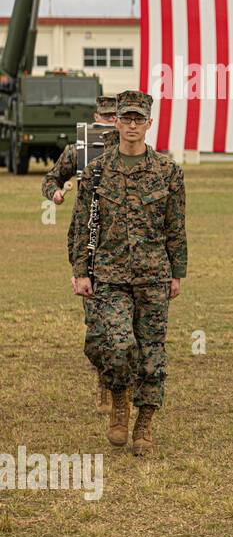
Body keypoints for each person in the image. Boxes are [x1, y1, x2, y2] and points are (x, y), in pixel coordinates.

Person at [70, 91, 187, 455]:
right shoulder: (96, 171)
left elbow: (176, 227)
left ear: (149, 124)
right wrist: (81, 271)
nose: (133, 125)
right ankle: (119, 400)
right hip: (109, 274)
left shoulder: (168, 171)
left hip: (153, 274)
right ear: (116, 122)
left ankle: (144, 423)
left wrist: (177, 272)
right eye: (127, 119)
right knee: (118, 345)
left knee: (152, 354)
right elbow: (80, 227)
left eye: (140, 119)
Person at [45, 94, 120, 412]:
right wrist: (57, 193)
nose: (109, 122)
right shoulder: (79, 150)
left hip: (123, 245)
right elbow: (50, 179)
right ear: (95, 116)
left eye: (114, 117)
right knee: (98, 322)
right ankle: (105, 383)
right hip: (87, 242)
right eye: (104, 116)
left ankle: (121, 385)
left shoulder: (133, 151)